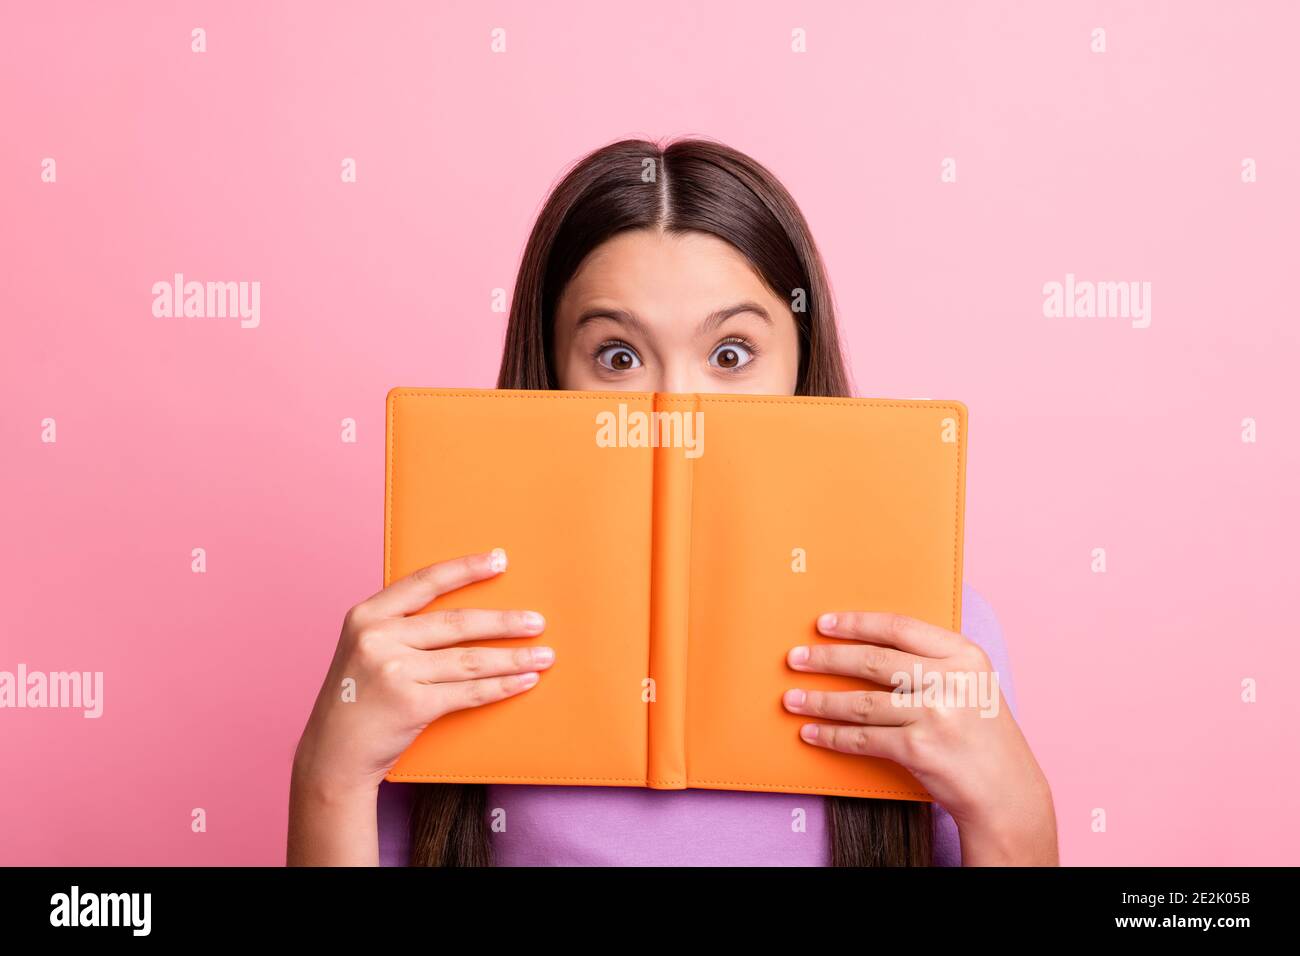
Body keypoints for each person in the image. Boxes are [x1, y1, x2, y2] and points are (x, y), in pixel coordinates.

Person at [287, 138, 1058, 866]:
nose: (676, 410)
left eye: (731, 354)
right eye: (617, 356)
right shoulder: (435, 641)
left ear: (801, 364)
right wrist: (330, 774)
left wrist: (1014, 810)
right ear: (550, 375)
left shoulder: (938, 637)